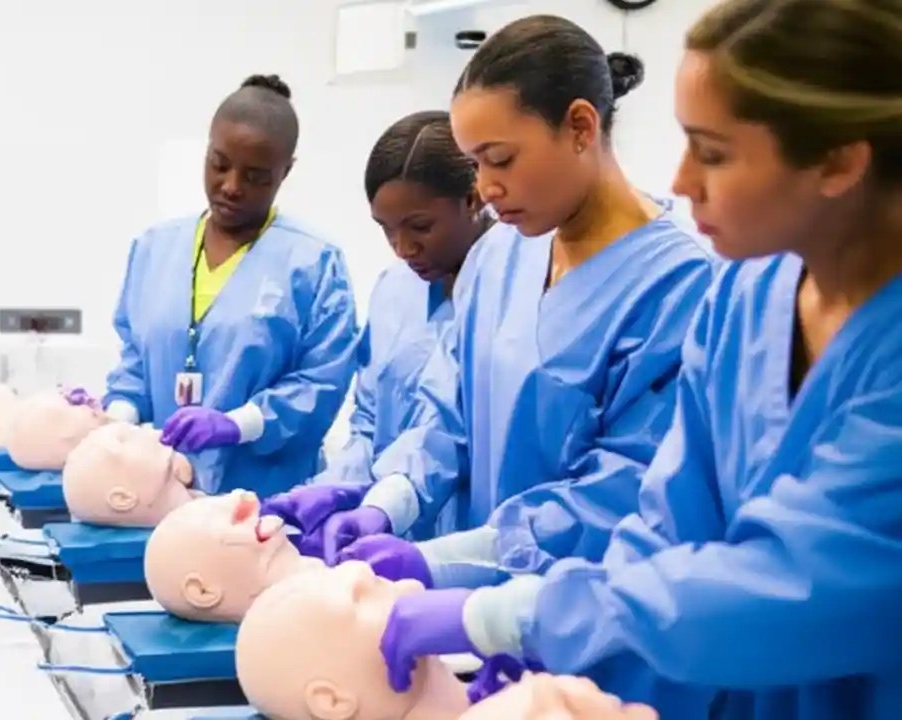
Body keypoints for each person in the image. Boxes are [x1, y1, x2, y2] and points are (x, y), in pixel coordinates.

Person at [374, 1, 902, 718]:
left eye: (713, 152)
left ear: (839, 161)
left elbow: (790, 583)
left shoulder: (707, 291)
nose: (682, 180)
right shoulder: (743, 300)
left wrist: (521, 616)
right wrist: (577, 659)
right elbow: (664, 529)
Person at [264, 15, 715, 572]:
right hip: (469, 607)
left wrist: (455, 558)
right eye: (474, 164)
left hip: (581, 617)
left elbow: (626, 488)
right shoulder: (500, 255)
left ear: (579, 127)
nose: (485, 188)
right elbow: (446, 414)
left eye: (500, 159)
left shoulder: (678, 286)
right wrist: (387, 502)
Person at [79, 74, 359, 498]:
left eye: (256, 176)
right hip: (158, 498)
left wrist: (237, 424)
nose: (231, 186)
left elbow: (321, 383)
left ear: (286, 171)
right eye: (219, 163)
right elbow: (137, 360)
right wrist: (113, 420)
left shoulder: (313, 262)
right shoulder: (155, 248)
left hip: (265, 505)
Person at [262, 110, 495, 550]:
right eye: (387, 230)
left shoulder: (510, 297)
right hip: (381, 541)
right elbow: (370, 422)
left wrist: (386, 505)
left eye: (421, 227)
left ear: (474, 198)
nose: (403, 249)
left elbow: (449, 431)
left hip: (469, 550)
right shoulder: (395, 291)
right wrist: (333, 489)